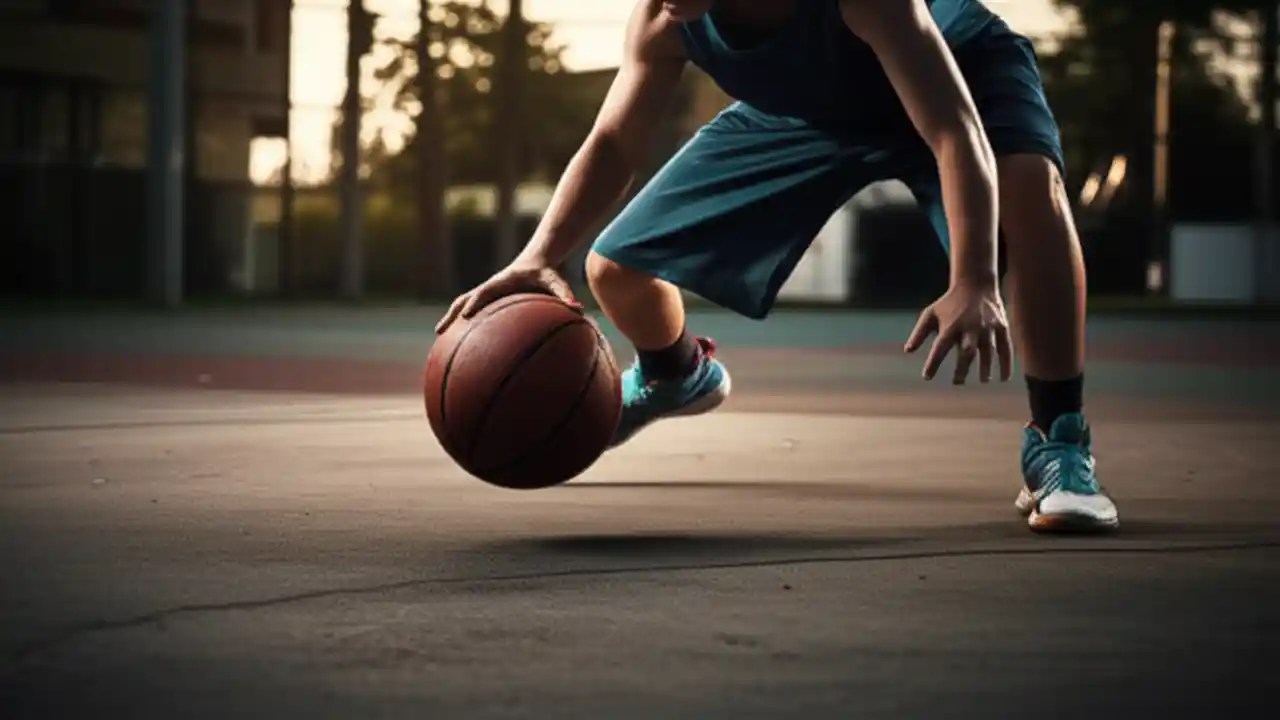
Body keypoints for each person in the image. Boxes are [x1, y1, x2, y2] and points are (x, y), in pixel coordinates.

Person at [436, 0, 1118, 533]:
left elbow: (952, 129)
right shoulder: (666, 16)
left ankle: (1058, 439)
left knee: (1032, 197)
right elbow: (614, 141)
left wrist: (972, 278)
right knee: (614, 268)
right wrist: (536, 257)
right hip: (811, 114)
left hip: (964, 78)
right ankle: (677, 374)